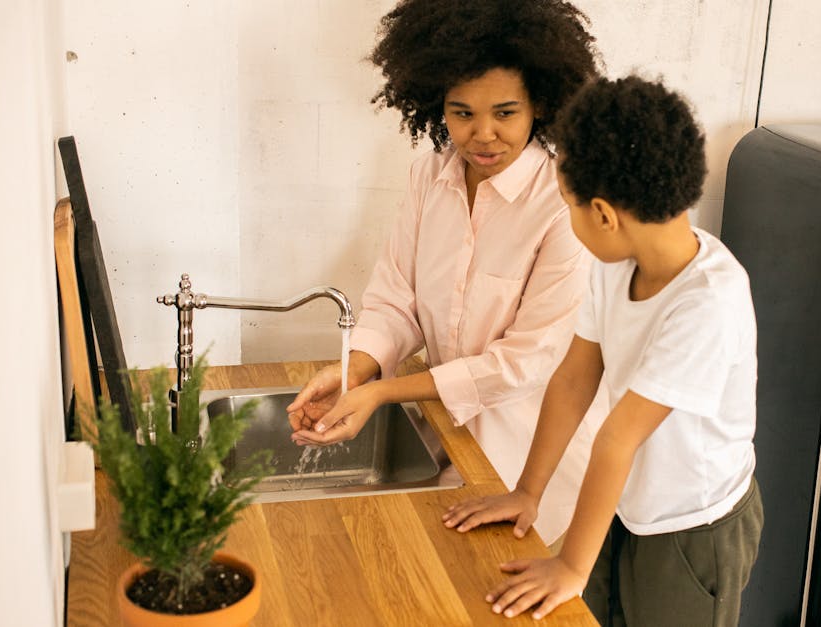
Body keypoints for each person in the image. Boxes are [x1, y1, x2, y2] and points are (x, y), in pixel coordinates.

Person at [441, 76, 764, 625]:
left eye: (568, 206)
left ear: (604, 215)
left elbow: (618, 438)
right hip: (628, 503)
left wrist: (570, 565)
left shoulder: (709, 300)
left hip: (692, 527)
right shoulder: (615, 266)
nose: (568, 220)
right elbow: (574, 378)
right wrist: (528, 491)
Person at [284, 0, 603, 547]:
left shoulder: (562, 204)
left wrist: (383, 394)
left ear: (540, 106)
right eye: (462, 113)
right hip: (450, 447)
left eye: (505, 113)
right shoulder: (429, 176)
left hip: (537, 471)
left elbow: (523, 364)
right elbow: (395, 299)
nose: (483, 134)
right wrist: (355, 371)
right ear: (438, 106)